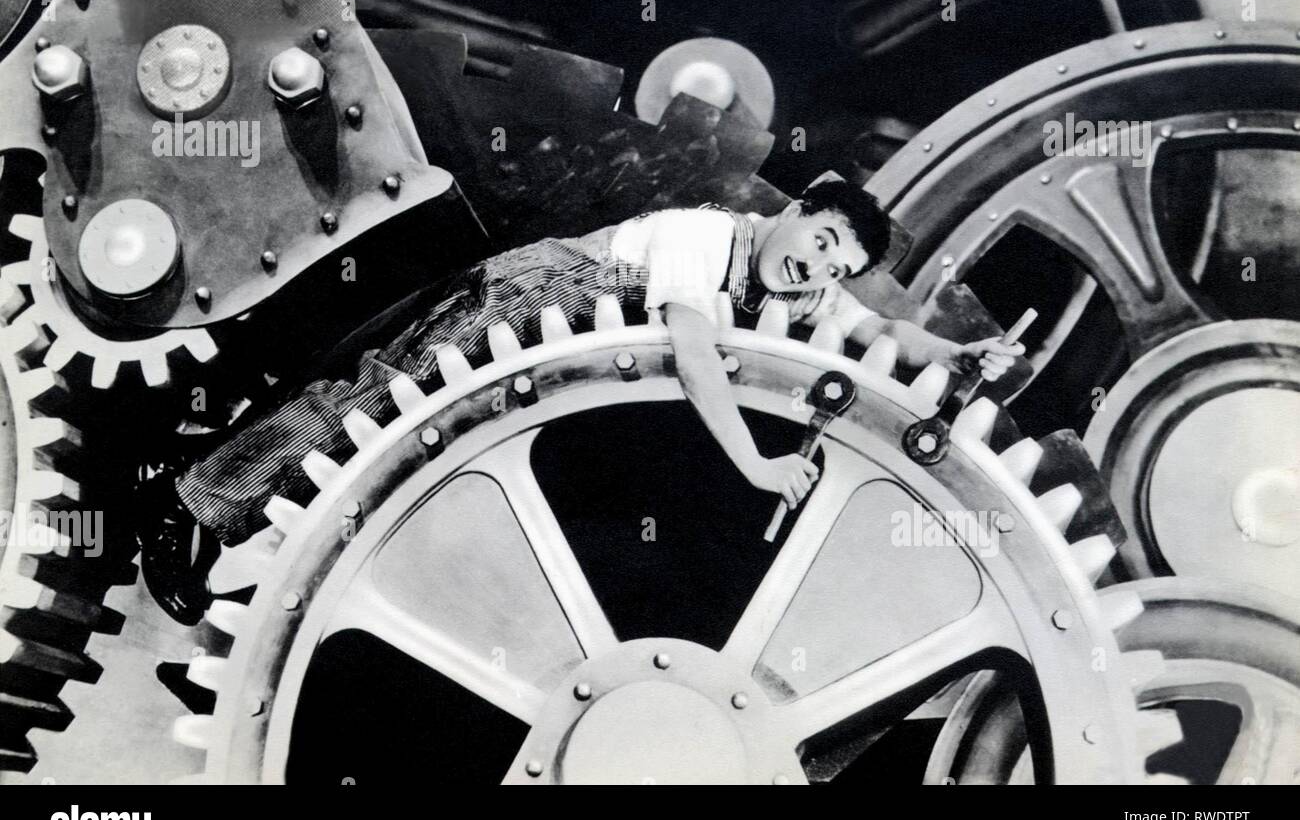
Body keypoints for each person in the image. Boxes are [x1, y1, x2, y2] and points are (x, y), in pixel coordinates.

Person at [134, 181, 1023, 623]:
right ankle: (183, 504)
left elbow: (885, 336)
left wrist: (956, 349)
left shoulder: (798, 285)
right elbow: (696, 352)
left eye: (839, 265)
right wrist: (754, 463)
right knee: (368, 410)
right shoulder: (710, 237)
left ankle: (229, 533)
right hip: (532, 298)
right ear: (791, 212)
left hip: (556, 350)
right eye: (821, 240)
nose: (819, 267)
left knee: (389, 454)